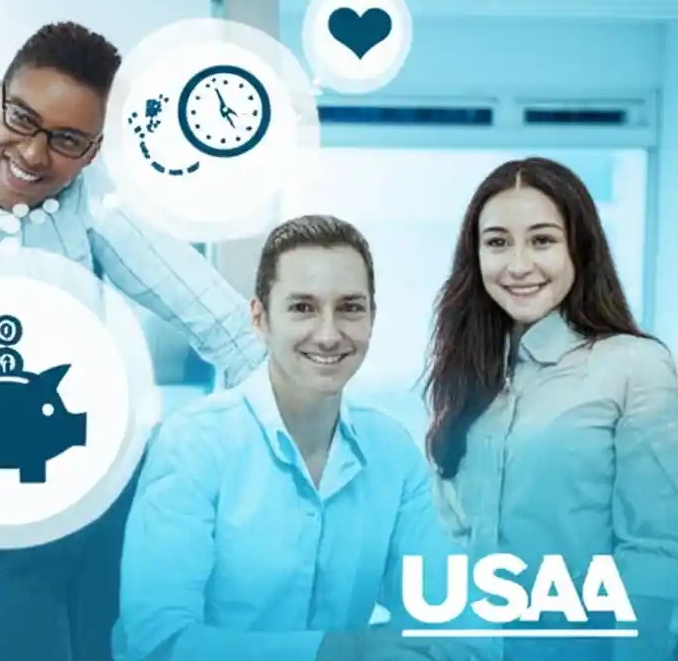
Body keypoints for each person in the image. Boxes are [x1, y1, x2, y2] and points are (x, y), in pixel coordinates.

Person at [0, 20, 263, 661]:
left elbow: (211, 309)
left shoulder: (89, 194)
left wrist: (289, 424)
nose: (36, 155)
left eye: (67, 140)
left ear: (94, 151)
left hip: (100, 498)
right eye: (22, 119)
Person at [116, 215, 493, 661]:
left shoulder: (390, 451)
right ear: (259, 318)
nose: (330, 334)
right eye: (303, 307)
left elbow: (462, 626)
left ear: (373, 316)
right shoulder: (196, 443)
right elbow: (158, 643)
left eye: (350, 307)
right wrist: (338, 650)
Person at [424, 157, 678, 661]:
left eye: (542, 240)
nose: (518, 265)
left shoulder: (635, 366)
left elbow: (655, 550)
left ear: (578, 249)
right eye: (497, 242)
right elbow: (454, 540)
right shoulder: (466, 376)